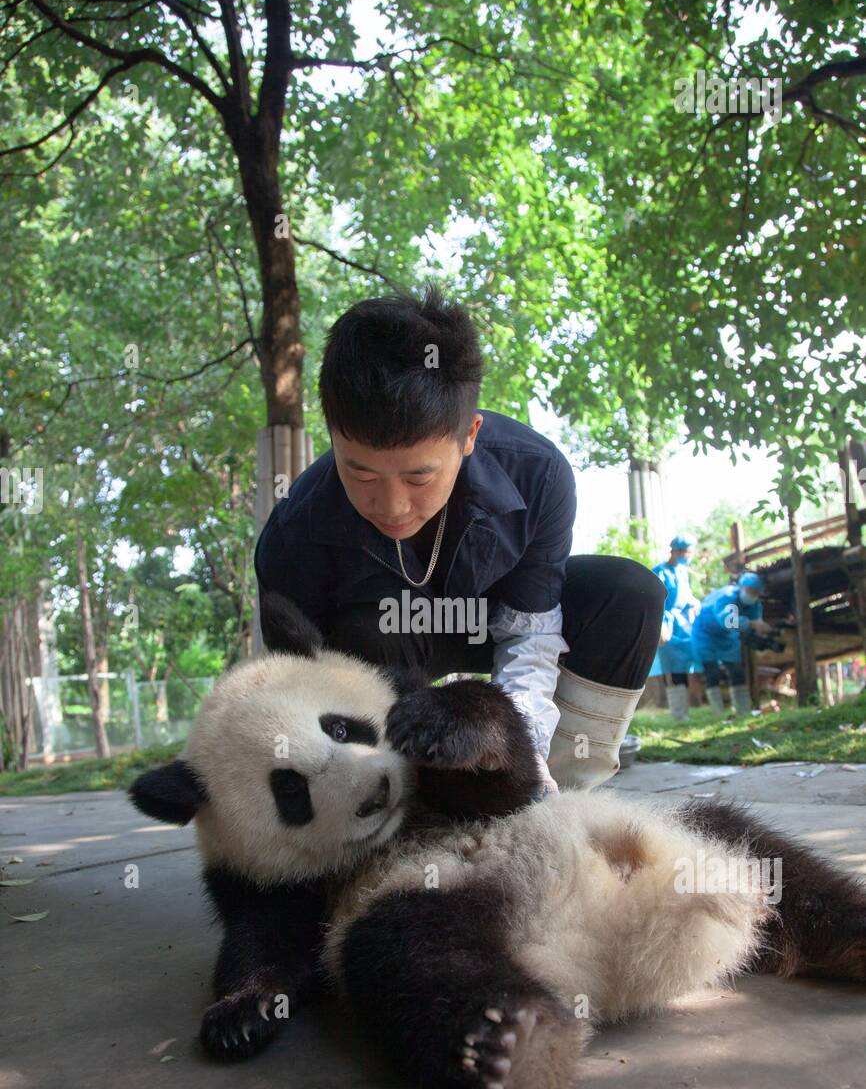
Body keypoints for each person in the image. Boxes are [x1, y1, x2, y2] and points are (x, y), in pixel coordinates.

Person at [255, 287, 665, 792]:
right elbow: (304, 689)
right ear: (333, 433)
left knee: (629, 591)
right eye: (360, 474)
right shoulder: (292, 536)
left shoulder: (538, 476)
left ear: (469, 435)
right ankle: (410, 798)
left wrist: (527, 757)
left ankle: (561, 794)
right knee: (366, 631)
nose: (393, 505)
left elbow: (531, 634)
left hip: (498, 622)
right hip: (386, 645)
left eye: (419, 477)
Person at [691, 571, 774, 715]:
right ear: (741, 587)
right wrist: (752, 624)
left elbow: (755, 626)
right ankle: (718, 712)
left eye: (756, 592)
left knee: (736, 670)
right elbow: (728, 621)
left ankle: (743, 710)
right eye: (750, 590)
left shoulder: (755, 605)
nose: (752, 595)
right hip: (704, 635)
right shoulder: (727, 597)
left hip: (727, 637)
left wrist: (761, 635)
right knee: (712, 672)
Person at [651, 533, 701, 722]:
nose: (690, 556)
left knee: (684, 666)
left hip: (683, 626)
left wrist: (694, 603)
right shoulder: (660, 572)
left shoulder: (683, 573)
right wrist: (660, 625)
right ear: (677, 551)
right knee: (671, 667)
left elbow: (686, 596)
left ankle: (683, 713)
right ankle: (678, 714)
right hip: (667, 625)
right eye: (688, 552)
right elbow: (656, 601)